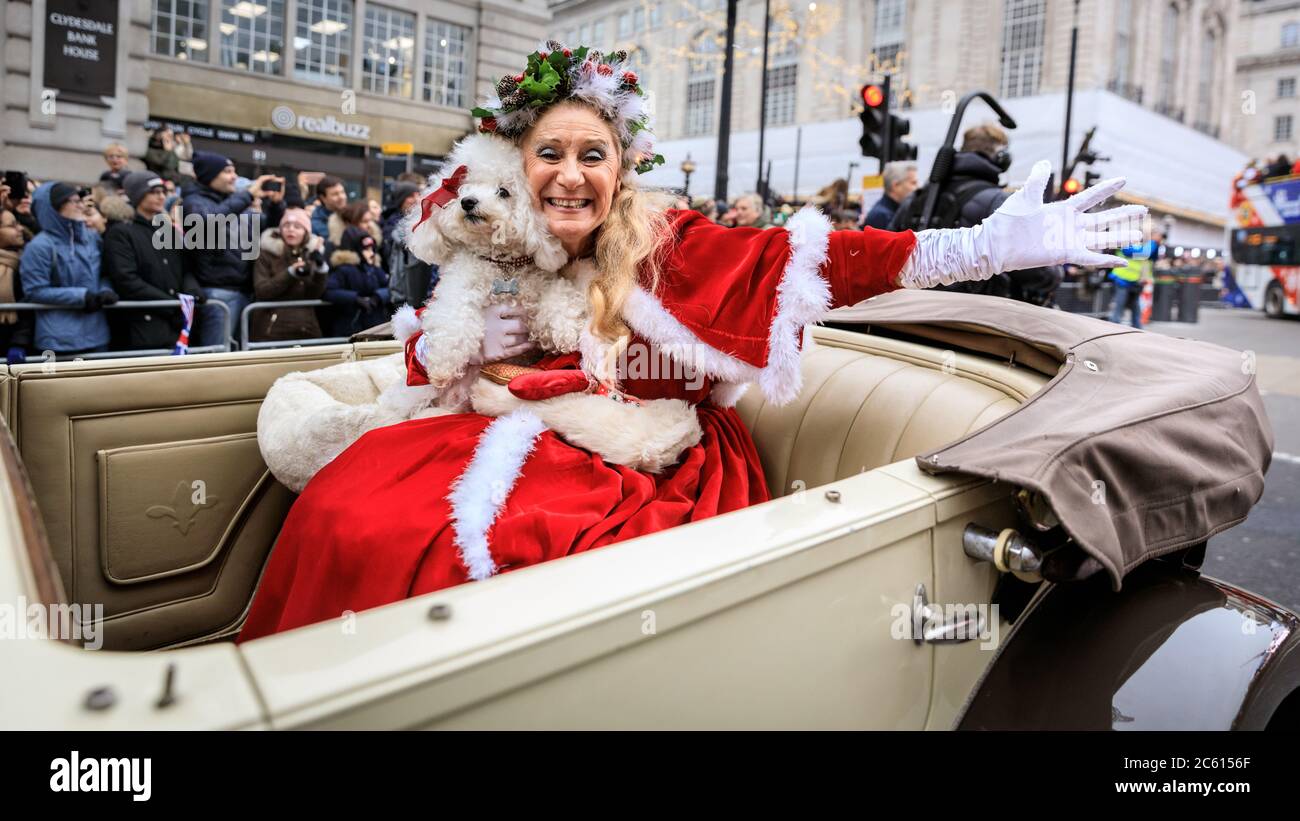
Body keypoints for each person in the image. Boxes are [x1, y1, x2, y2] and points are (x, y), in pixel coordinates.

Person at [237, 42, 1143, 641]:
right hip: (514, 423)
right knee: (349, 502)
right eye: (550, 153)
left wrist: (985, 246)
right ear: (523, 167)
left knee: (452, 545)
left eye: (593, 154)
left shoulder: (669, 245)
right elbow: (443, 344)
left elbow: (818, 256)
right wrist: (472, 349)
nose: (570, 174)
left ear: (620, 168)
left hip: (645, 457)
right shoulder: (509, 245)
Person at [890, 122, 1063, 305]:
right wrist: (1056, 271)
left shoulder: (914, 200)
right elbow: (1039, 273)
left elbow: (887, 252)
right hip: (973, 320)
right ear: (1002, 158)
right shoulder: (1000, 203)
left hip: (908, 314)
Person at [181, 150, 277, 348]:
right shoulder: (195, 202)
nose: (234, 176)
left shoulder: (233, 203)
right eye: (227, 171)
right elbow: (210, 222)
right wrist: (247, 195)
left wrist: (276, 205)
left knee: (238, 353)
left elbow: (265, 227)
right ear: (209, 175)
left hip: (243, 291)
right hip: (218, 292)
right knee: (216, 356)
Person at [102, 172, 203, 350]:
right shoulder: (120, 232)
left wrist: (192, 291)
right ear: (138, 195)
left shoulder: (168, 231)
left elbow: (185, 268)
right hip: (142, 325)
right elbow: (126, 279)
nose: (161, 196)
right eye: (154, 192)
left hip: (176, 325)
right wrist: (170, 304)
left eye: (163, 191)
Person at [19, 182, 117, 356]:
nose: (80, 205)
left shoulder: (91, 238)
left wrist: (105, 290)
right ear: (52, 208)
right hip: (59, 340)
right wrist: (81, 296)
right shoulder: (39, 246)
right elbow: (34, 291)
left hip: (97, 333)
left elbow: (103, 273)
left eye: (79, 200)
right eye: (72, 201)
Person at [250, 207, 329, 342]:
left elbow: (315, 294)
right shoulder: (266, 254)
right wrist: (290, 273)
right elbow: (262, 290)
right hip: (271, 330)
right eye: (286, 226)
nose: (291, 229)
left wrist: (320, 268)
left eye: (297, 227)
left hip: (306, 328)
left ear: (306, 232)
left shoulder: (310, 254)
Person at [324, 225, 389, 337]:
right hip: (350, 326)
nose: (372, 253)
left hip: (375, 325)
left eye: (372, 249)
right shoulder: (343, 270)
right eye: (366, 249)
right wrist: (355, 298)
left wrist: (378, 296)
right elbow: (328, 291)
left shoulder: (375, 269)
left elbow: (391, 288)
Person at [0, 188, 34, 364]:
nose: (19, 228)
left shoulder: (23, 260)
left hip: (11, 347)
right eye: (12, 225)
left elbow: (27, 308)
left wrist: (19, 343)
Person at [1109, 230, 1162, 329]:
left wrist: (1155, 243)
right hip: (1122, 280)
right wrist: (1153, 242)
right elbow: (1143, 253)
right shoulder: (1124, 244)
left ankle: (1137, 330)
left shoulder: (1145, 245)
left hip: (1136, 282)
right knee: (1119, 307)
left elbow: (1151, 256)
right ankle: (1113, 329)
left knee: (1135, 308)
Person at [864, 161, 917, 230]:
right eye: (913, 183)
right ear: (896, 185)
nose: (917, 187)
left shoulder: (888, 212)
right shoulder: (882, 216)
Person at [310, 175, 348, 239]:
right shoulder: (314, 225)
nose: (341, 197)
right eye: (335, 194)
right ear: (323, 198)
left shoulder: (353, 217)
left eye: (342, 192)